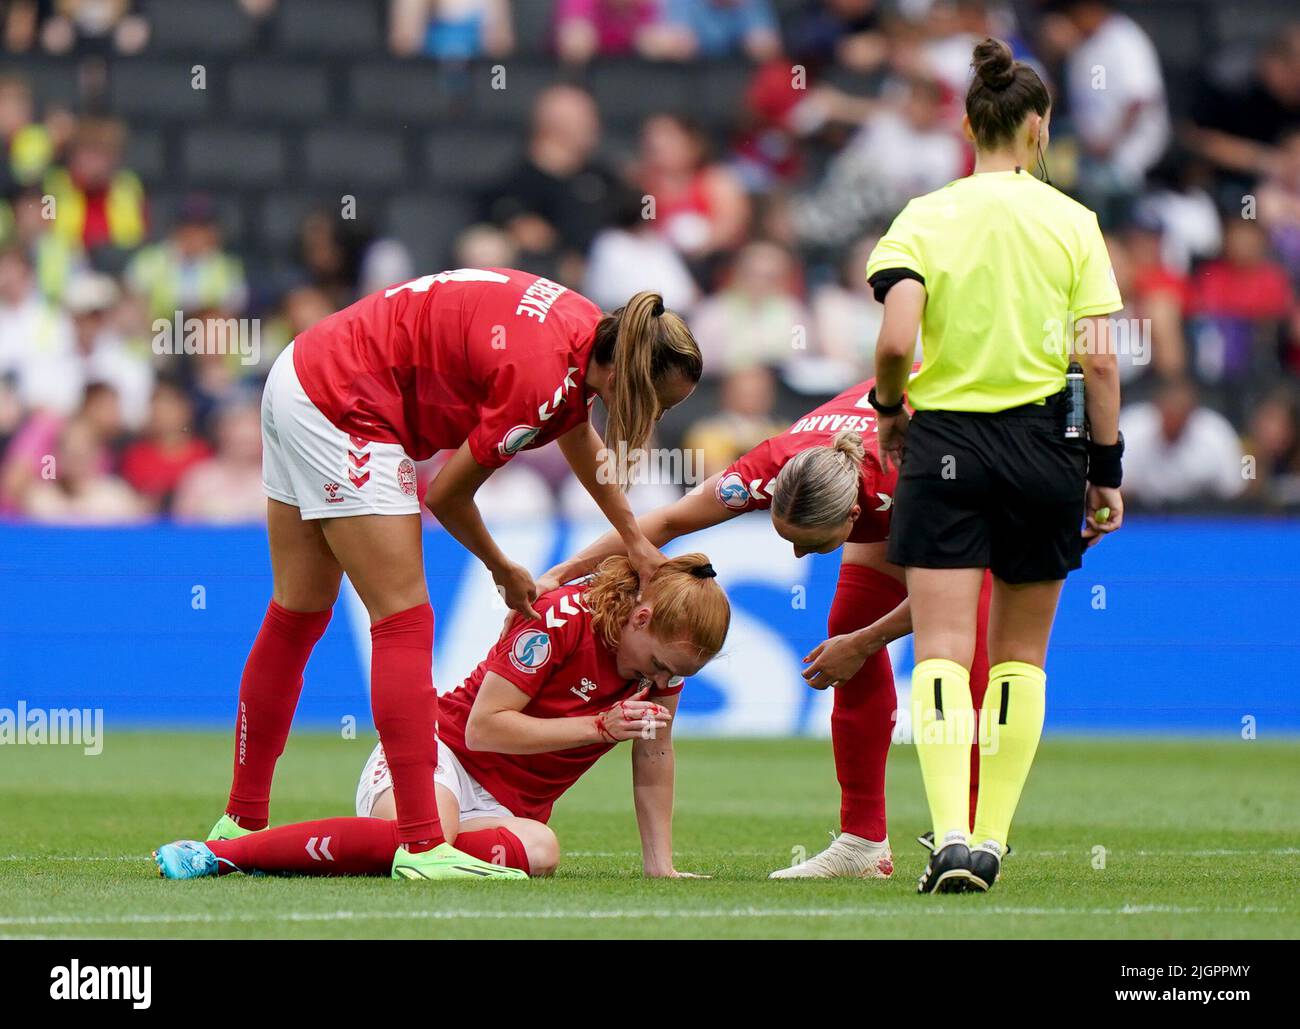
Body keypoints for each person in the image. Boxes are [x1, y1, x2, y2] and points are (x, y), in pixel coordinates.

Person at [203, 267, 703, 883]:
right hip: (350, 399)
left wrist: (632, 539)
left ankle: (241, 821)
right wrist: (503, 569)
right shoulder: (539, 379)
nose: (657, 419)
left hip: (305, 369)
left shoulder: (584, 327)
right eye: (661, 404)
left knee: (299, 610)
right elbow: (446, 494)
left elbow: (574, 430)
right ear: (629, 378)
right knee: (404, 618)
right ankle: (420, 844)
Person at [538, 376, 993, 880]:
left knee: (955, 652)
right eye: (788, 538)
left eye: (812, 545)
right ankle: (864, 843)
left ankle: (971, 836)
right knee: (847, 623)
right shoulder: (769, 468)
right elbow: (665, 522)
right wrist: (564, 570)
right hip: (886, 470)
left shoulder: (917, 476)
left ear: (854, 515)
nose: (797, 554)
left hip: (978, 449)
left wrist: (864, 644)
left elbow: (951, 594)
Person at [866, 38, 1123, 893]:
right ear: (1040, 129)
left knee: (940, 648)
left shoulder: (926, 215)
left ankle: (946, 837)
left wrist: (891, 411)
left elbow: (896, 339)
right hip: (1049, 444)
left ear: (968, 125)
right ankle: (991, 838)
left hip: (946, 445)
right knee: (1021, 657)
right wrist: (1106, 465)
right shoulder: (1073, 221)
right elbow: (1102, 364)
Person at [153, 554, 729, 880]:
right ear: (640, 616)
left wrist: (661, 867)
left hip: (505, 811)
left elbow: (654, 759)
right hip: (440, 758)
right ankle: (223, 855)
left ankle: (393, 852)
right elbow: (484, 726)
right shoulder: (559, 620)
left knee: (544, 851)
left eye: (673, 675)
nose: (658, 684)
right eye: (657, 664)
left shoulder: (663, 668)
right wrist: (596, 727)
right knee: (432, 843)